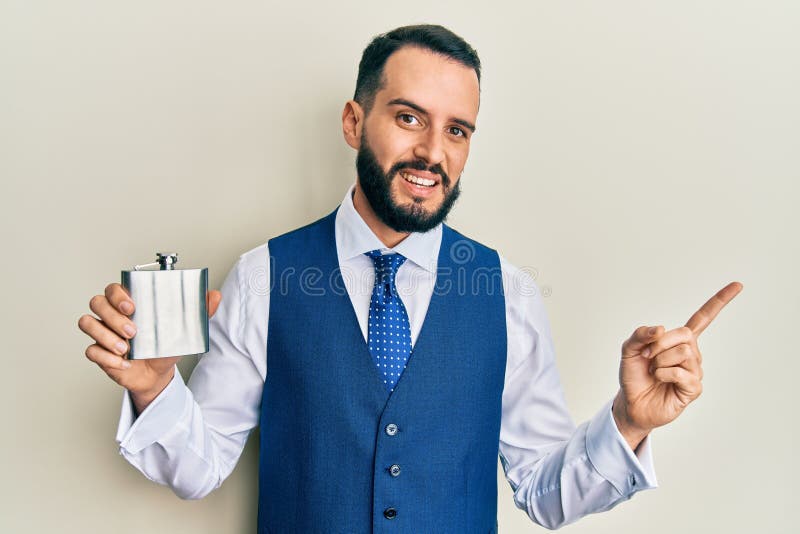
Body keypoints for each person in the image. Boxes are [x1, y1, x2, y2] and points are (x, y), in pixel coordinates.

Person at [78, 24, 742, 533]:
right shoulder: (263, 278)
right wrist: (156, 388)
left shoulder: (505, 291)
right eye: (408, 117)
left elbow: (544, 491)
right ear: (353, 121)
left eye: (457, 130)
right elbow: (199, 470)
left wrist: (628, 421)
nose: (432, 151)